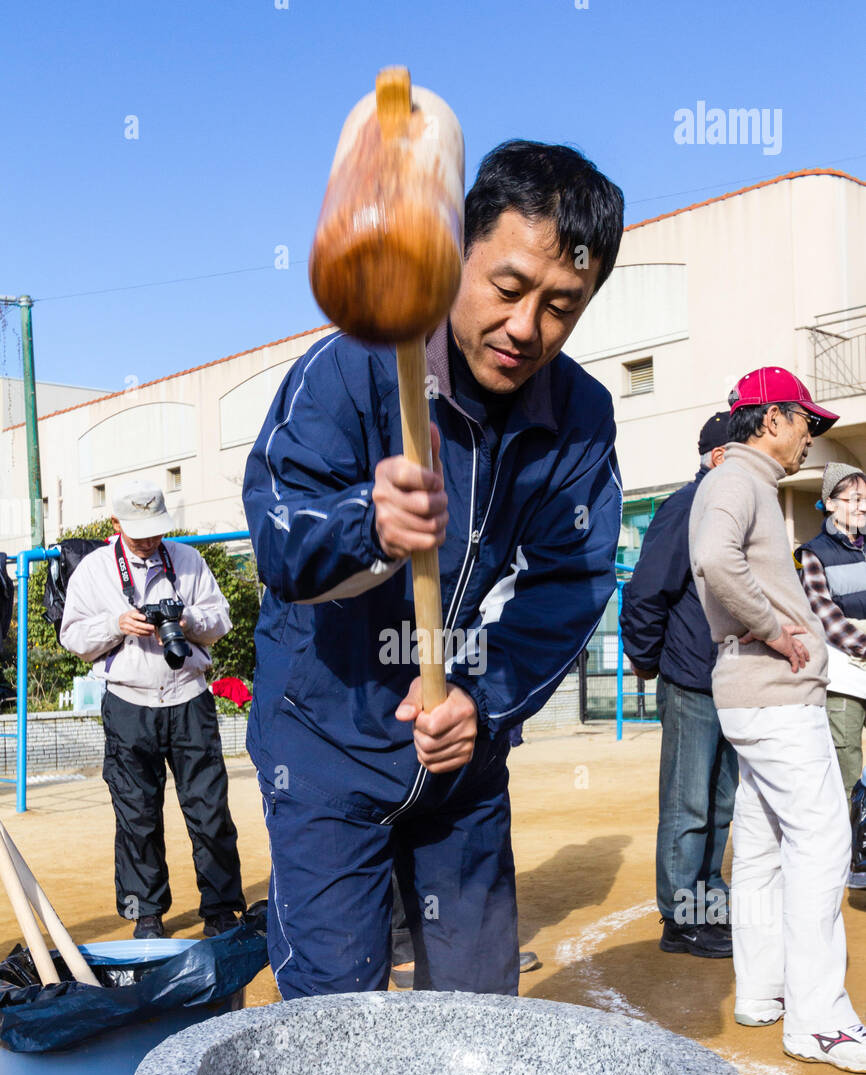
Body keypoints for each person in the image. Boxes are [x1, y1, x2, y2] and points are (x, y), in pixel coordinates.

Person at [244, 140, 624, 999]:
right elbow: (276, 537)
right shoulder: (352, 364)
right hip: (325, 739)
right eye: (509, 288)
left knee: (478, 1013)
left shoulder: (582, 416)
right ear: (455, 259)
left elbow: (571, 580)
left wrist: (481, 706)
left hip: (460, 749)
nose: (527, 328)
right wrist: (363, 523)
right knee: (335, 1017)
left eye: (563, 306)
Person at [690, 366, 866, 1071]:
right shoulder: (740, 478)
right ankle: (819, 1020)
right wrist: (776, 629)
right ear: (770, 419)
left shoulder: (738, 480)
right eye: (805, 422)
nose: (811, 436)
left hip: (752, 692)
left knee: (761, 847)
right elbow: (711, 560)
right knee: (822, 843)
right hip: (773, 690)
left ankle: (764, 992)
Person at [60, 481, 246, 939]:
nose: (148, 539)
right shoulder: (94, 570)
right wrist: (116, 624)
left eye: (156, 529)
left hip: (189, 697)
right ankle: (146, 912)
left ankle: (221, 908)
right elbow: (74, 638)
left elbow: (220, 618)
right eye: (138, 530)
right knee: (136, 813)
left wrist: (187, 620)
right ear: (116, 524)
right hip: (128, 703)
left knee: (210, 810)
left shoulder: (188, 559)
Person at [621, 411, 737, 958]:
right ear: (718, 458)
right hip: (692, 679)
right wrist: (646, 660)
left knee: (719, 805)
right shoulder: (688, 505)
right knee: (688, 806)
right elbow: (646, 591)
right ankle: (680, 920)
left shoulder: (727, 506)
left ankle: (708, 906)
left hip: (732, 683)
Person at [796, 462, 866, 803]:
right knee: (846, 763)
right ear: (831, 503)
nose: (863, 506)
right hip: (843, 678)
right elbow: (825, 615)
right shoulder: (812, 554)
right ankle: (847, 851)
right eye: (854, 498)